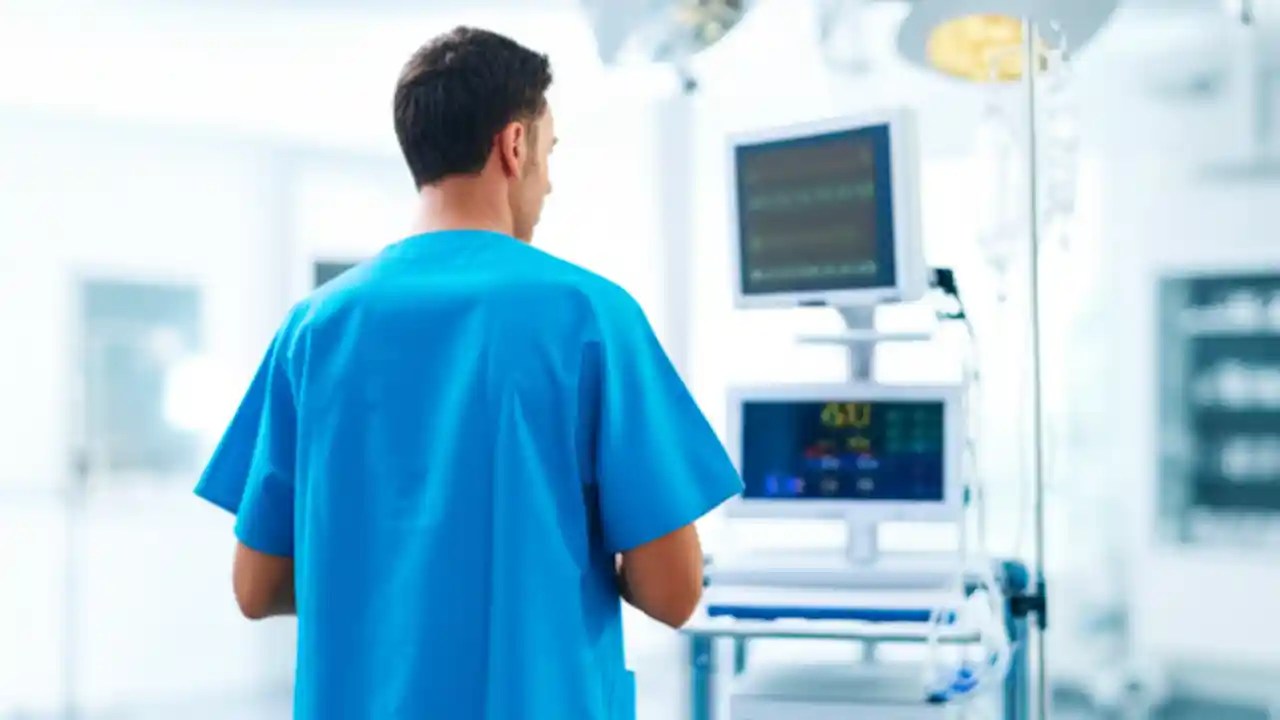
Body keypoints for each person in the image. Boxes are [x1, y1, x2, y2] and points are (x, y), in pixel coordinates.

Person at [194, 26, 742, 720]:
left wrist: (391, 570)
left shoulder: (314, 329)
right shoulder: (590, 315)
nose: (548, 179)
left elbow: (257, 585)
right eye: (548, 153)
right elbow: (673, 593)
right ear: (514, 147)